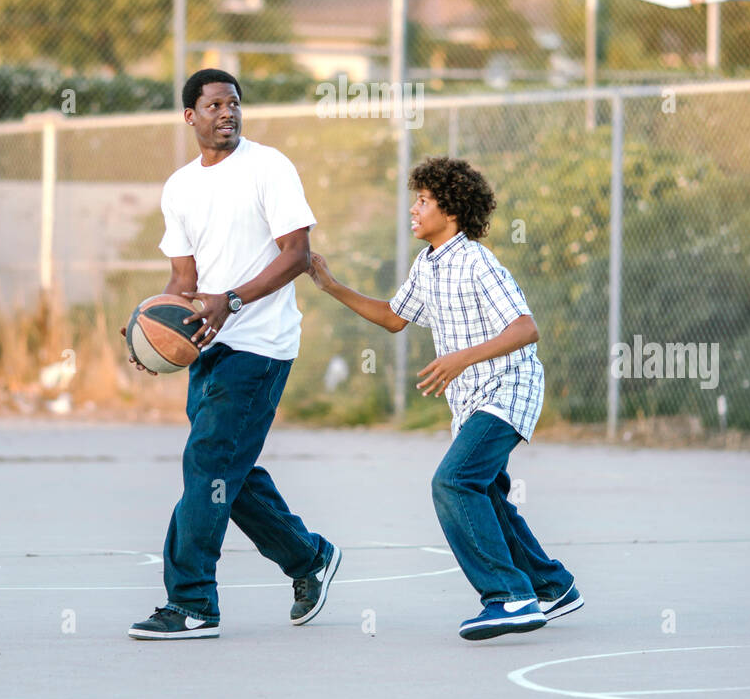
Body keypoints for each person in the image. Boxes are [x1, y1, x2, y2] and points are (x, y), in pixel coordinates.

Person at [308, 154, 581, 641]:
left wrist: (461, 359)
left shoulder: (476, 260)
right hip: (473, 399)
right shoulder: (428, 264)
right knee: (488, 495)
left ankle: (509, 597)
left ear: (450, 211)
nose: (413, 209)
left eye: (423, 201)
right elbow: (394, 316)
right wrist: (330, 285)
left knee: (452, 482)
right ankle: (551, 585)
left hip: (508, 388)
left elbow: (526, 328)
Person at [125, 69, 340, 639]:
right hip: (208, 345)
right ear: (190, 116)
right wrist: (146, 333)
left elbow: (297, 253)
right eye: (214, 104)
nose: (227, 112)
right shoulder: (180, 187)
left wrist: (234, 300)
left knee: (208, 465)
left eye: (234, 103)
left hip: (260, 345)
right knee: (228, 471)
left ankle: (192, 602)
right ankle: (308, 558)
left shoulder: (269, 167)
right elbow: (182, 277)